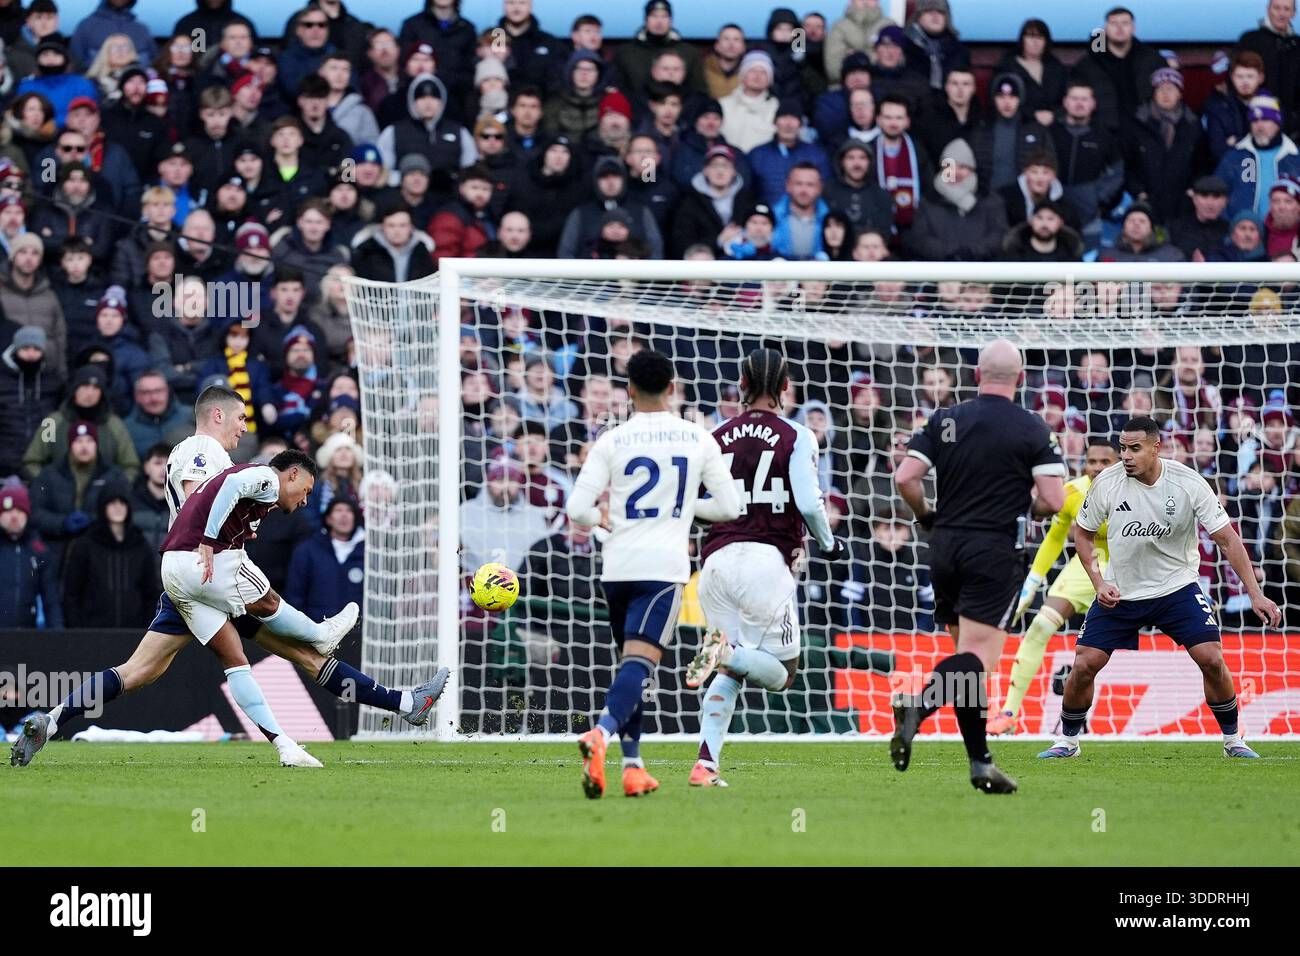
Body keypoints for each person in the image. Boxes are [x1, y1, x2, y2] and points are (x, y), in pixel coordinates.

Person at [11, 387, 449, 769]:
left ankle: (50, 721)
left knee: (140, 671)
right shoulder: (201, 451)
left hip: (189, 581)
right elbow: (199, 499)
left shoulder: (218, 458)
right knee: (300, 642)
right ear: (217, 415)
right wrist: (211, 540)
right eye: (240, 418)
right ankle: (356, 674)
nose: (244, 427)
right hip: (209, 568)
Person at [1040, 418, 1282, 760]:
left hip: (1176, 588)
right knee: (1084, 664)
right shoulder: (1107, 483)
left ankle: (1233, 740)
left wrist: (1255, 593)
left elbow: (1227, 539)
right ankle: (1067, 741)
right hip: (1122, 591)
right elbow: (1082, 532)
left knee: (1211, 658)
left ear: (1156, 448)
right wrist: (1099, 582)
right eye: (1123, 448)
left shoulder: (1187, 482)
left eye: (1134, 449)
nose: (1126, 456)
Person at [892, 340, 1067, 793]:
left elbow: (905, 477)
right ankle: (918, 705)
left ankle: (980, 762)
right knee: (977, 660)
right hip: (993, 549)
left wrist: (926, 517)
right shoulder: (1032, 427)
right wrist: (1030, 508)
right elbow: (1053, 499)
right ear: (1021, 378)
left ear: (975, 376)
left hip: (944, 547)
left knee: (965, 660)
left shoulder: (945, 418)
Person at [565, 349, 741, 799]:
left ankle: (632, 766)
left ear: (629, 390)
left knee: (631, 667)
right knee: (640, 666)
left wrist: (604, 518)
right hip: (662, 569)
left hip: (618, 567)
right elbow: (729, 507)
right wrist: (681, 510)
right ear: (671, 388)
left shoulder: (612, 440)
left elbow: (577, 509)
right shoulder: (697, 437)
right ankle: (600, 733)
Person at [683, 349, 846, 787]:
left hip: (715, 562)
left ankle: (706, 762)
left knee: (731, 669)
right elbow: (811, 503)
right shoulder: (797, 435)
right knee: (782, 674)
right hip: (765, 563)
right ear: (786, 387)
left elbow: (697, 503)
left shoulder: (715, 434)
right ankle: (727, 653)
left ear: (741, 385)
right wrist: (829, 545)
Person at [990, 441, 1120, 734]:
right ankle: (1009, 712)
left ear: (1119, 462)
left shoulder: (1135, 491)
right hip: (1086, 567)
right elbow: (1054, 538)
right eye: (1092, 461)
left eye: (1105, 461)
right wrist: (1032, 582)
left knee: (1189, 638)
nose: (1097, 467)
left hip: (1131, 569)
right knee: (1038, 626)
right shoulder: (1072, 492)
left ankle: (1227, 713)